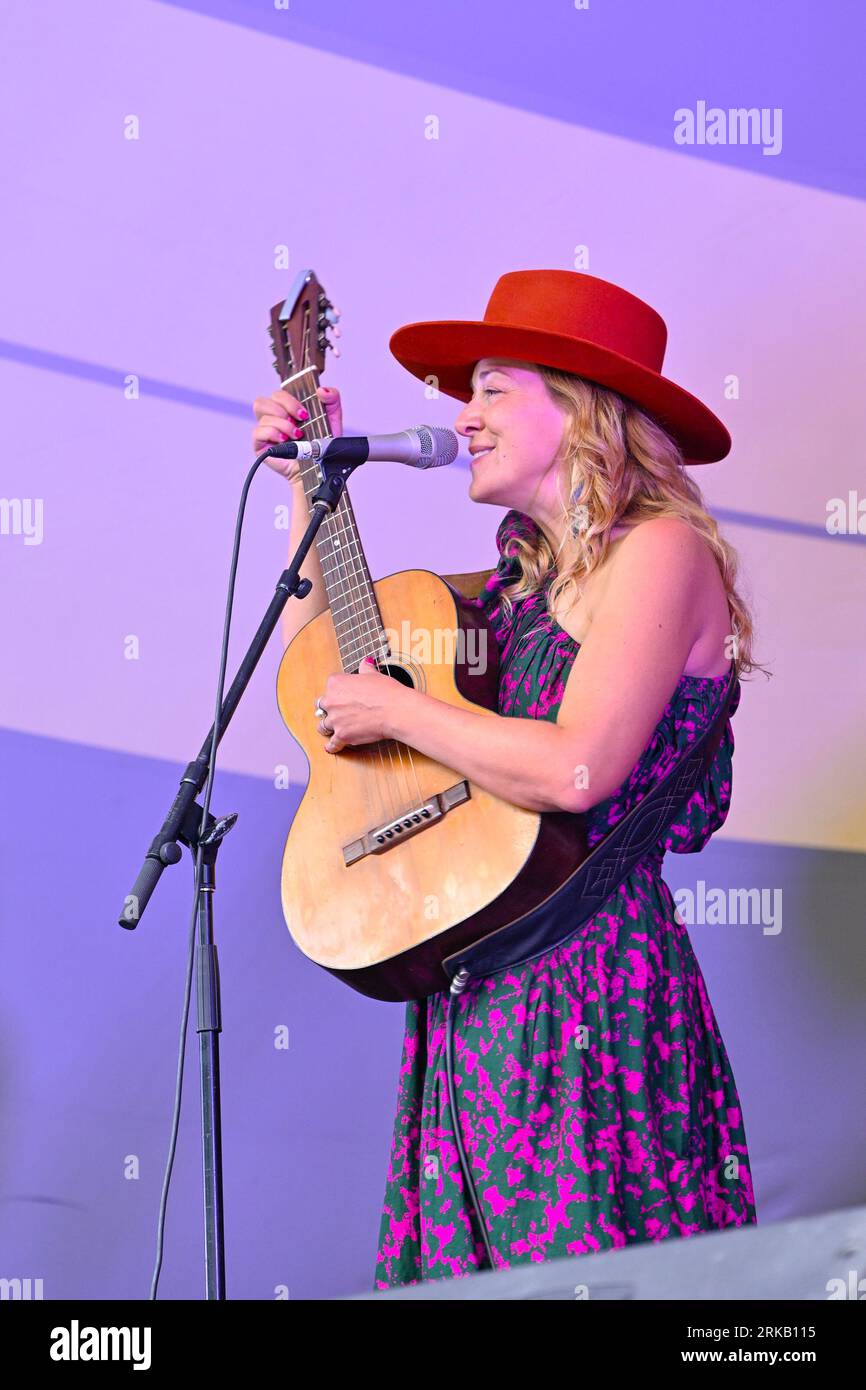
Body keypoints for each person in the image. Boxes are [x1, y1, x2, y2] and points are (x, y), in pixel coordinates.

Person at [252, 269, 762, 1289]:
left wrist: (399, 709)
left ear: (579, 410)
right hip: (478, 998)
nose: (462, 417)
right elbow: (329, 676)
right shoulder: (511, 587)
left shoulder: (658, 554)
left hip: (592, 998)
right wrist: (309, 482)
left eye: (490, 389)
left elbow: (576, 768)